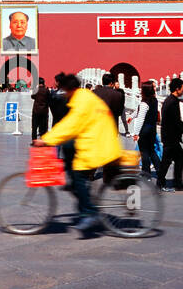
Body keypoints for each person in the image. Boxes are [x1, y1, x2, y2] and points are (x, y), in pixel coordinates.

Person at [32, 72, 122, 237]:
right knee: (70, 154)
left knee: (79, 175)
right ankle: (81, 197)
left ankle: (89, 213)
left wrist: (46, 140)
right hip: (96, 137)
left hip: (97, 142)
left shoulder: (81, 100)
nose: (64, 94)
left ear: (70, 89)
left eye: (65, 91)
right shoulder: (83, 96)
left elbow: (70, 125)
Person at [156, 78, 183, 192]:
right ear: (177, 88)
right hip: (171, 136)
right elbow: (177, 121)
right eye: (182, 87)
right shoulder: (173, 102)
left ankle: (170, 182)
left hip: (168, 135)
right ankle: (172, 183)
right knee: (175, 158)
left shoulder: (169, 100)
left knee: (173, 159)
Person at [128, 81, 161, 178]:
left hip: (145, 130)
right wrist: (132, 116)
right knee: (152, 150)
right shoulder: (154, 100)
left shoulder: (144, 103)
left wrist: (136, 133)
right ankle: (160, 171)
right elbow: (139, 111)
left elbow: (141, 119)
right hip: (152, 129)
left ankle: (146, 172)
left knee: (144, 152)